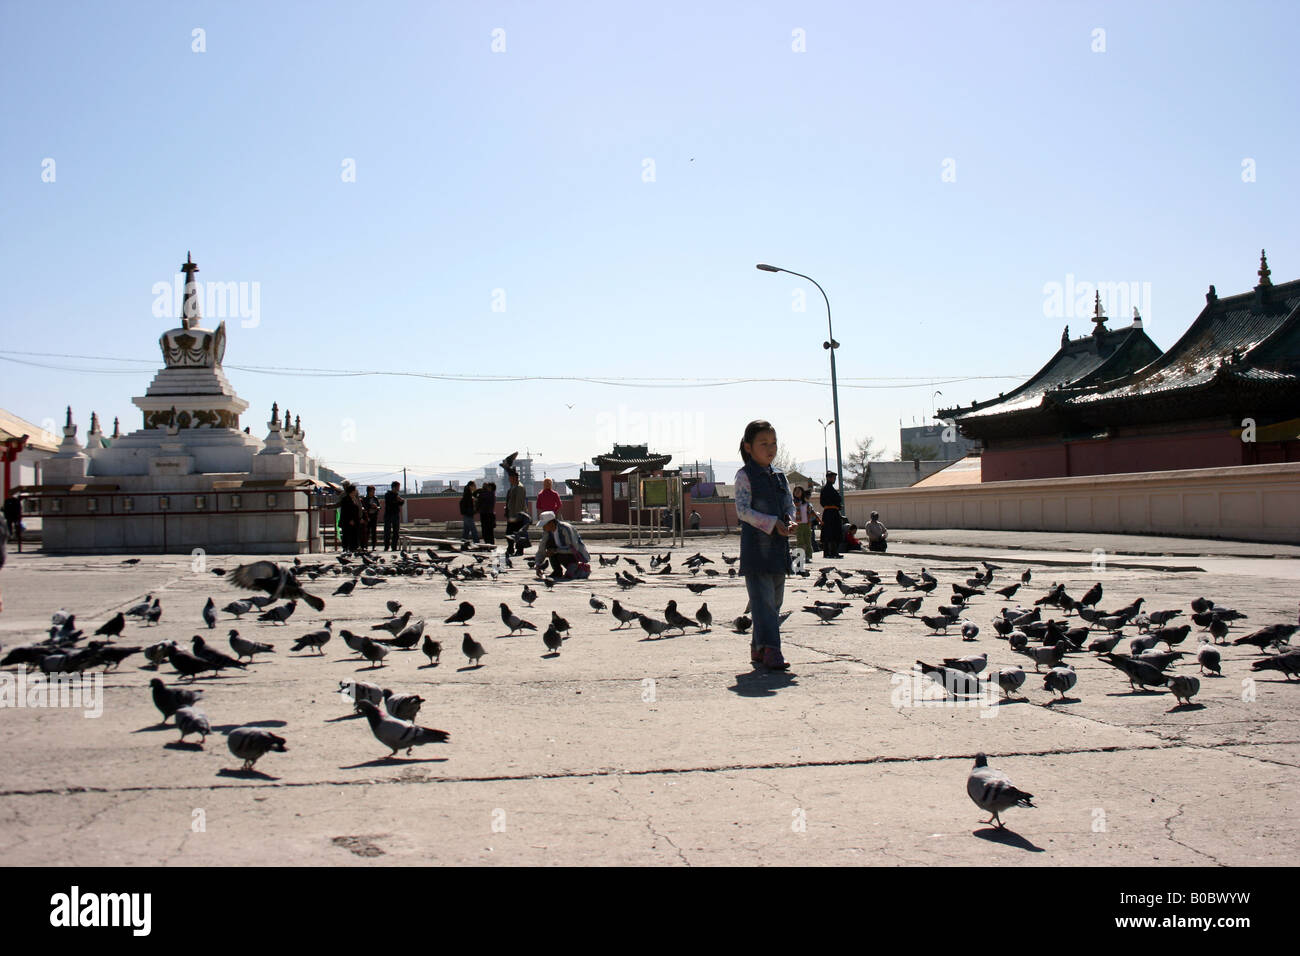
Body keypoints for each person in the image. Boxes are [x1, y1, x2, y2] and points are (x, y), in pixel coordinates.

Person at [735, 419, 794, 671]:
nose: (770, 448)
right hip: (756, 551)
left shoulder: (780, 476)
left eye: (773, 443)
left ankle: (758, 647)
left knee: (775, 601)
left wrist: (789, 520)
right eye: (763, 443)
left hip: (779, 549)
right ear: (749, 447)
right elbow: (742, 511)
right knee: (763, 603)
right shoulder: (744, 475)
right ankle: (773, 650)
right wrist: (772, 523)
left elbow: (789, 504)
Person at [533, 510, 591, 579]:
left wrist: (555, 550)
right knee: (549, 547)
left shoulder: (565, 529)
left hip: (574, 555)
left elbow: (574, 548)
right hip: (559, 552)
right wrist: (537, 564)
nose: (543, 528)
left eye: (544, 525)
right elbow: (541, 549)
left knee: (553, 551)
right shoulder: (547, 532)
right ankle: (557, 571)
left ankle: (573, 566)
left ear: (551, 523)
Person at [504, 470, 529, 556]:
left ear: (514, 478)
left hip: (517, 516)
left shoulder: (519, 487)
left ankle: (519, 550)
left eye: (510, 477)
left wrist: (517, 516)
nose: (509, 479)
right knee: (510, 533)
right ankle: (510, 548)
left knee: (518, 533)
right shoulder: (513, 487)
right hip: (512, 515)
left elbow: (519, 503)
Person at [819, 471, 843, 559]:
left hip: (831, 513)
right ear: (828, 478)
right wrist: (835, 505)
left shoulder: (828, 489)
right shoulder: (826, 489)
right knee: (830, 532)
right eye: (833, 478)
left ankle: (831, 552)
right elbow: (824, 502)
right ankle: (830, 552)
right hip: (830, 513)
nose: (834, 480)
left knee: (831, 532)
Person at [791, 485, 815, 561]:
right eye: (795, 491)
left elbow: (810, 514)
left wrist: (810, 523)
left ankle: (808, 556)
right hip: (797, 524)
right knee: (800, 541)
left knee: (807, 540)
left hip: (806, 524)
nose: (797, 492)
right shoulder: (792, 503)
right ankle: (800, 556)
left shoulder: (807, 504)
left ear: (802, 493)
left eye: (799, 491)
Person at [338, 483, 362, 552]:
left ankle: (354, 548)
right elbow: (345, 511)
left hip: (355, 520)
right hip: (347, 521)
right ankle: (346, 548)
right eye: (355, 490)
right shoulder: (345, 499)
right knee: (347, 535)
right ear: (352, 491)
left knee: (354, 535)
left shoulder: (355, 499)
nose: (356, 491)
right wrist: (350, 519)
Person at [382, 481, 404, 551]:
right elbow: (390, 503)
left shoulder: (397, 495)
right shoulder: (388, 494)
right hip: (388, 515)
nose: (398, 489)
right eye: (398, 487)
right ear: (394, 487)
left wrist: (401, 500)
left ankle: (394, 547)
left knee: (396, 532)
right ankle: (386, 546)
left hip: (395, 514)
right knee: (387, 532)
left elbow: (401, 503)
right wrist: (397, 500)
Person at [459, 482, 480, 547]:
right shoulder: (468, 494)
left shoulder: (467, 493)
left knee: (466, 531)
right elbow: (469, 504)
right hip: (468, 514)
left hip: (466, 514)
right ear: (471, 486)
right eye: (474, 486)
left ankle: (463, 545)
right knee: (473, 530)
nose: (475, 487)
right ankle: (477, 544)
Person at [477, 480, 497, 546]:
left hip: (487, 515)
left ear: (491, 488)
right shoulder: (491, 494)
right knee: (488, 531)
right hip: (488, 514)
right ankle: (489, 544)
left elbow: (480, 496)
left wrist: (482, 489)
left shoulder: (489, 494)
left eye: (488, 486)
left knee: (486, 531)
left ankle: (489, 545)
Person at [362, 485, 381, 552]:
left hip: (374, 516)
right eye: (372, 491)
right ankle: (365, 545)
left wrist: (376, 507)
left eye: (374, 491)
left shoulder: (375, 498)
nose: (373, 493)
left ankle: (374, 546)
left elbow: (379, 507)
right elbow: (364, 506)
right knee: (366, 532)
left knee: (374, 532)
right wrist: (370, 506)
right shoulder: (364, 498)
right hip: (367, 516)